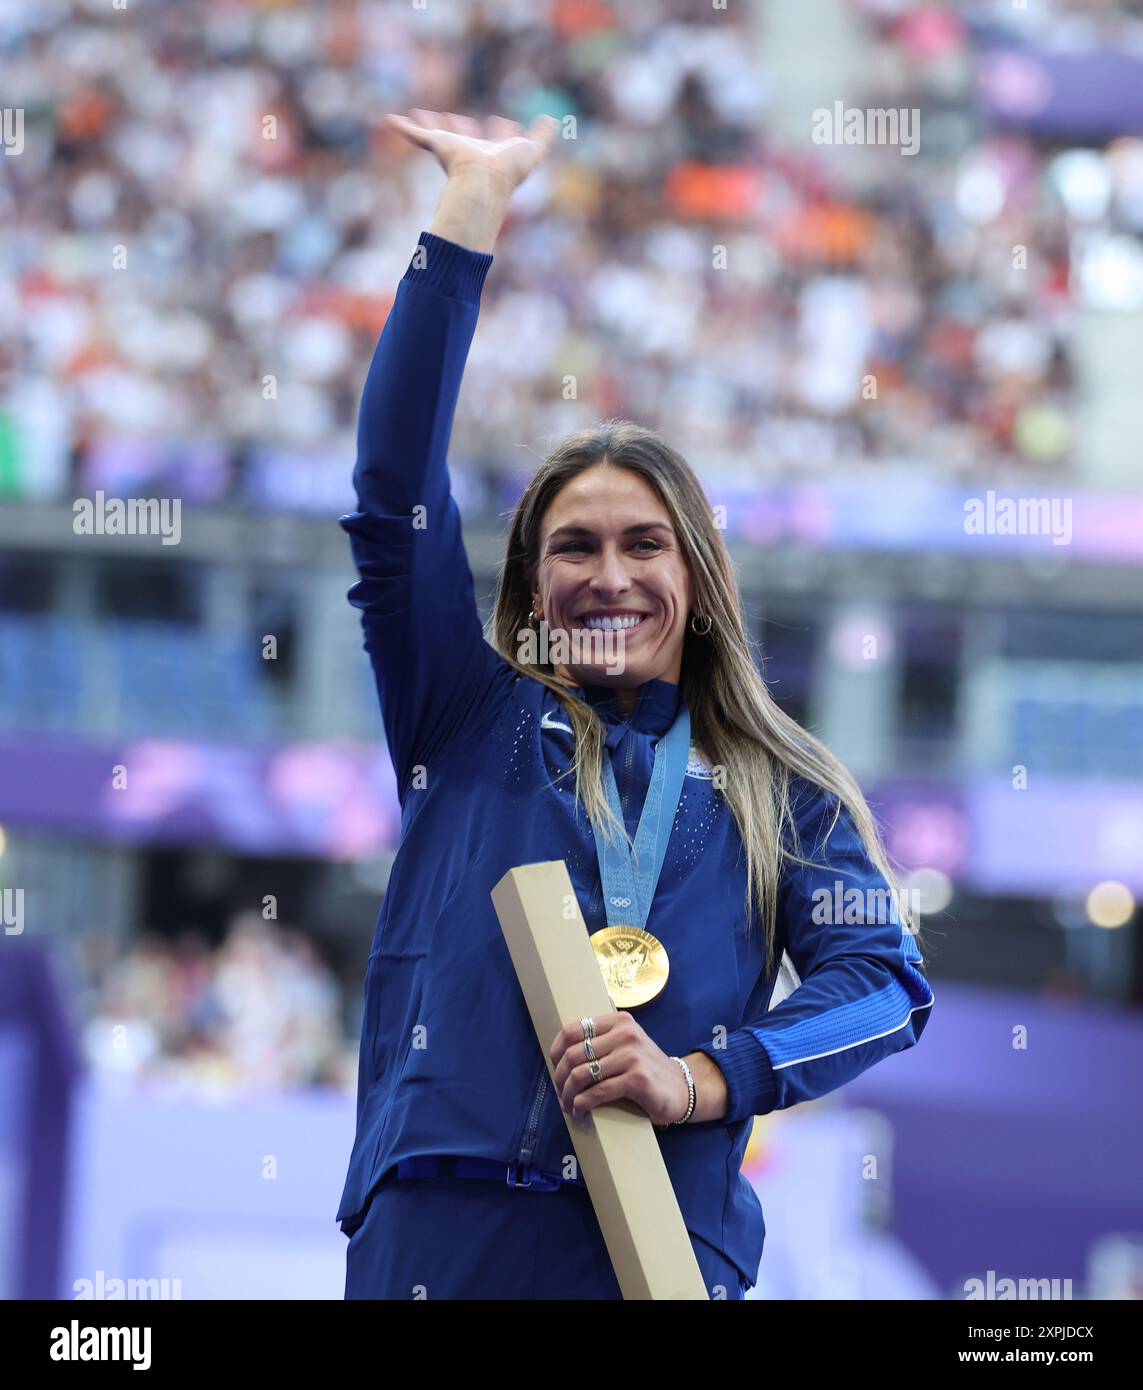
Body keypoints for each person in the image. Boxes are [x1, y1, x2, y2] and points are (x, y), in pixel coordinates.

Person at [339, 110, 934, 1301]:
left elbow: (884, 982)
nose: (608, 574)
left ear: (698, 580)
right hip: (436, 1228)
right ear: (530, 580)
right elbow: (394, 492)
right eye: (574, 546)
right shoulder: (468, 714)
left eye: (644, 543)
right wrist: (471, 210)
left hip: (660, 1247)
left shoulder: (781, 785)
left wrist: (705, 1078)